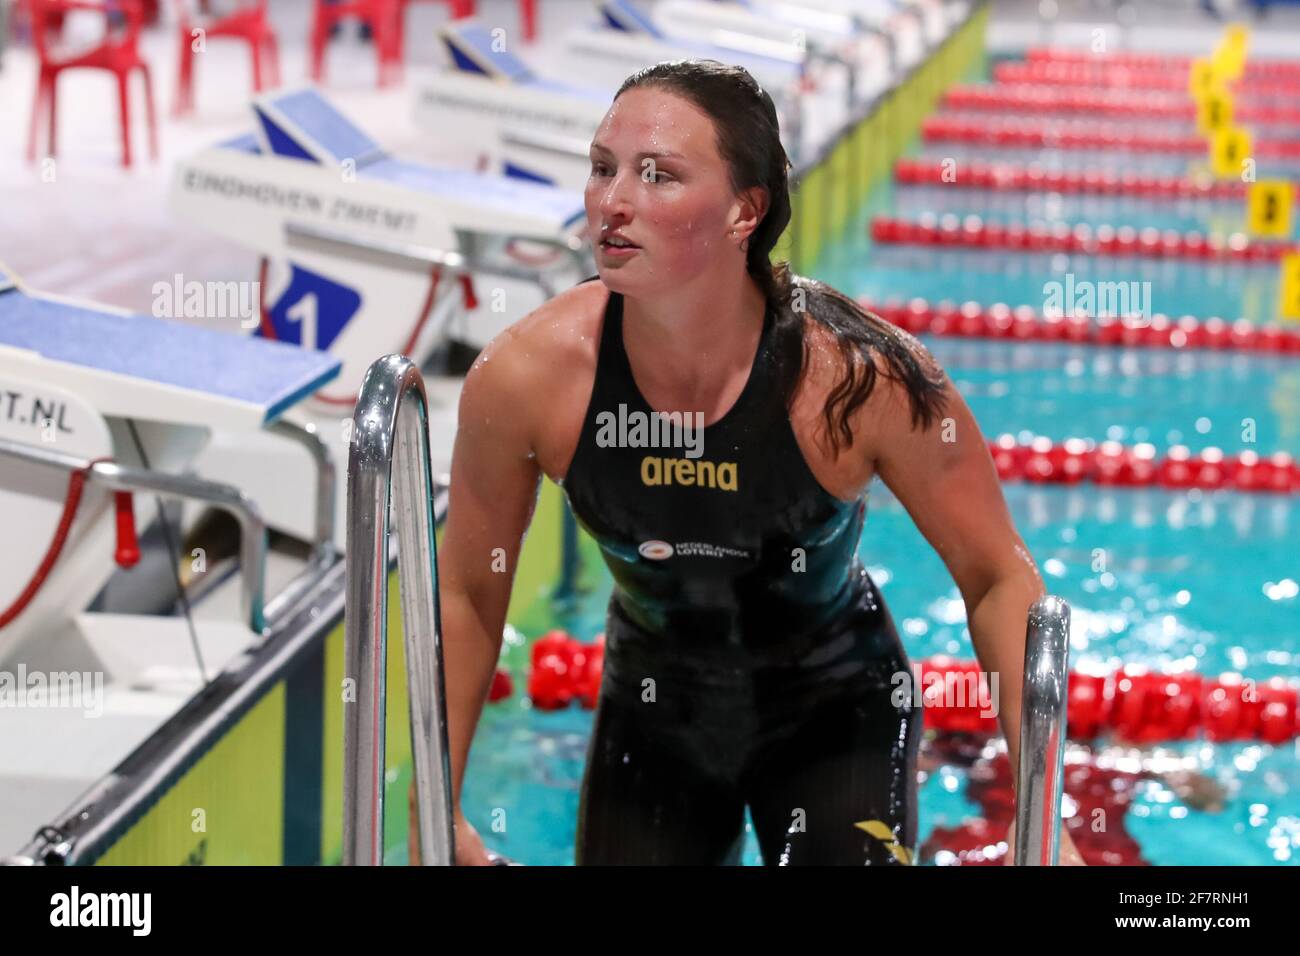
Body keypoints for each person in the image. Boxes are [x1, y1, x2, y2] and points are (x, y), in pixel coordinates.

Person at [420, 58, 1085, 865]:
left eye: (658, 175)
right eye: (603, 169)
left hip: (837, 713)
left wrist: (1041, 810)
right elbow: (465, 591)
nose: (612, 202)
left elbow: (997, 575)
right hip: (655, 711)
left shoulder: (857, 381)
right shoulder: (528, 379)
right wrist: (437, 807)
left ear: (745, 210)